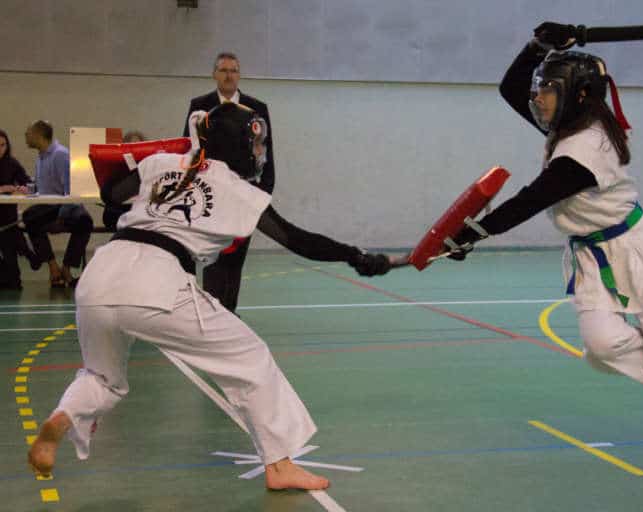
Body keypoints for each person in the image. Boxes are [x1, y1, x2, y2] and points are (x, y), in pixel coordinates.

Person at [27, 102, 391, 491]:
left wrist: (161, 160)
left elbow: (112, 194)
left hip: (99, 277)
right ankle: (280, 465)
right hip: (157, 282)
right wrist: (355, 255)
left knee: (102, 377)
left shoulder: (165, 162)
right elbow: (297, 240)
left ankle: (62, 418)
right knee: (250, 358)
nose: (258, 153)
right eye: (255, 144)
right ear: (237, 144)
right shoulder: (239, 191)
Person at [446, 22, 643, 472]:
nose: (538, 98)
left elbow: (532, 198)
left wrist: (471, 233)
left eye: (548, 90)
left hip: (638, 250)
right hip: (590, 255)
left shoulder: (588, 147)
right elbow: (511, 87)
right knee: (603, 346)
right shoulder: (567, 125)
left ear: (579, 95)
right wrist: (537, 46)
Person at [183, 52, 277, 313]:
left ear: (239, 75)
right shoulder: (199, 106)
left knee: (236, 261)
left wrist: (265, 190)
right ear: (214, 74)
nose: (228, 75)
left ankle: (230, 313)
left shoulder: (257, 108)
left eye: (233, 70)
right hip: (211, 198)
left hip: (244, 195)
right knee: (213, 259)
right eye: (223, 70)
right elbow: (188, 149)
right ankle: (213, 314)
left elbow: (266, 153)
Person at [23, 120, 93, 288]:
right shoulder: (40, 156)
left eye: (29, 132)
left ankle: (67, 268)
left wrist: (61, 217)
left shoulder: (60, 155)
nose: (26, 136)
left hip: (64, 206)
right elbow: (43, 187)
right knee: (28, 217)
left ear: (39, 135)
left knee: (85, 221)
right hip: (49, 205)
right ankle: (53, 267)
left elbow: (70, 190)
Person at [0, 129, 38, 289]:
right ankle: (27, 252)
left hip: (7, 216)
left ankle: (26, 253)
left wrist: (24, 188)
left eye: (3, 145)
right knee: (10, 234)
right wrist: (3, 188)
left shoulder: (11, 163)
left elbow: (30, 184)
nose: (0, 149)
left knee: (14, 282)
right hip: (7, 223)